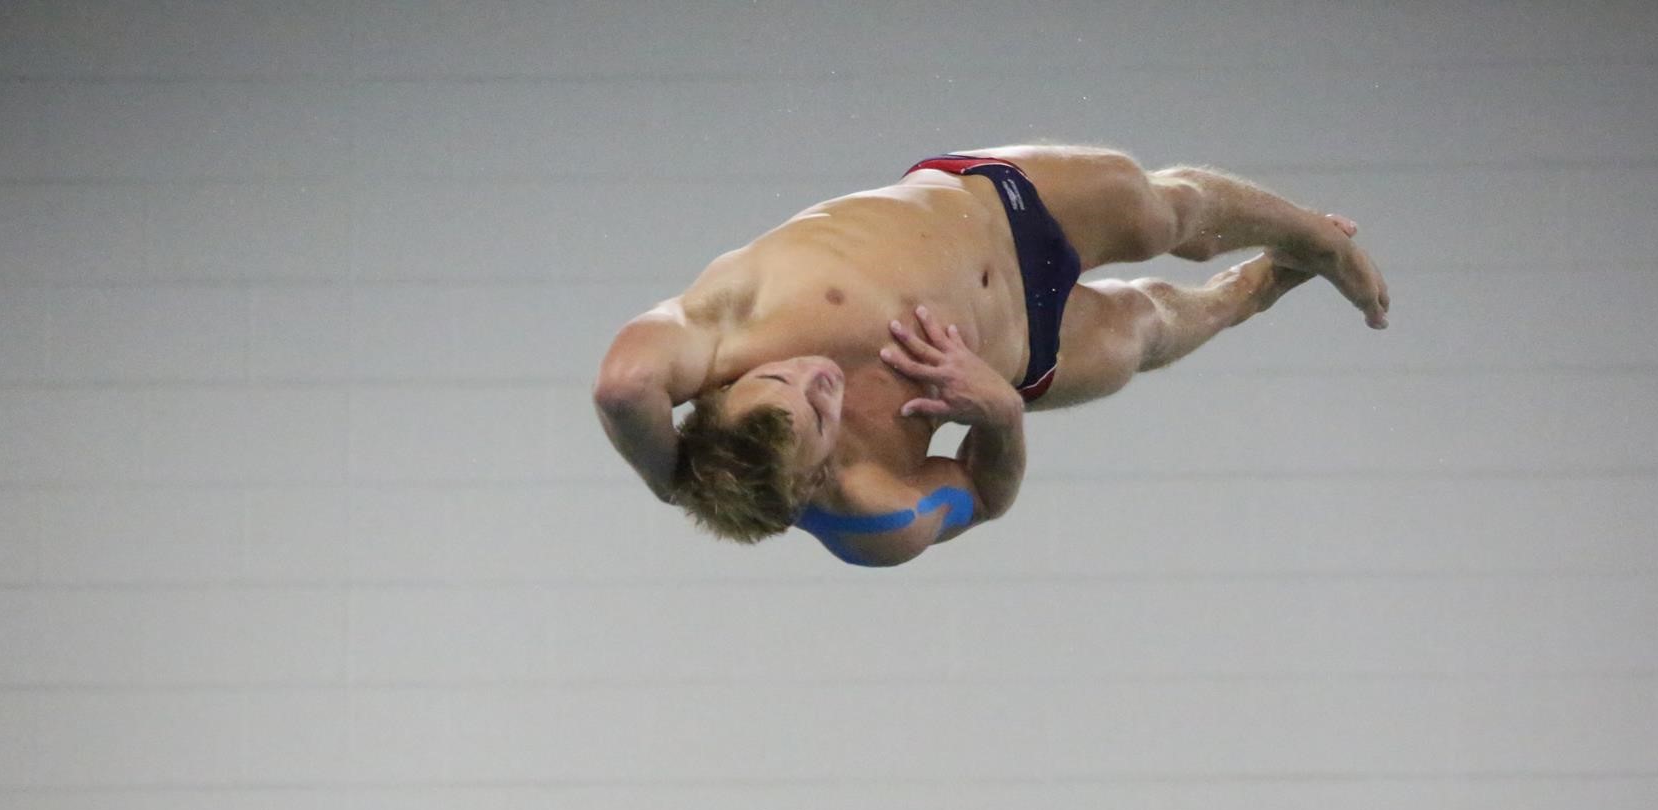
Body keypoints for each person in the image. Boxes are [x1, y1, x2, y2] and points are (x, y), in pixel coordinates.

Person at [592, 144, 1389, 566]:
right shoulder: (877, 514)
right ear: (810, 484)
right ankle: (1250, 291)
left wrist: (673, 483)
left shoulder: (721, 325)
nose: (815, 376)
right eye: (820, 413)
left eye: (777, 379)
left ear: (717, 395)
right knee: (1139, 334)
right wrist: (999, 412)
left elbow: (622, 388)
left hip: (995, 211)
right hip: (1020, 351)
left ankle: (1313, 237)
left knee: (1157, 214)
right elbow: (984, 492)